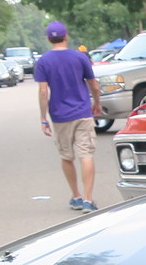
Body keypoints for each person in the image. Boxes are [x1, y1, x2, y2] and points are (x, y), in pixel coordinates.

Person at [34, 20, 103, 212]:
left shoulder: (44, 61)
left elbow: (42, 92)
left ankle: (76, 196)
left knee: (66, 156)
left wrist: (43, 118)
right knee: (86, 154)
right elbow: (94, 85)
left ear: (48, 39)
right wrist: (96, 103)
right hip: (82, 112)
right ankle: (89, 199)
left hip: (59, 116)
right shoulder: (79, 57)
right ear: (66, 36)